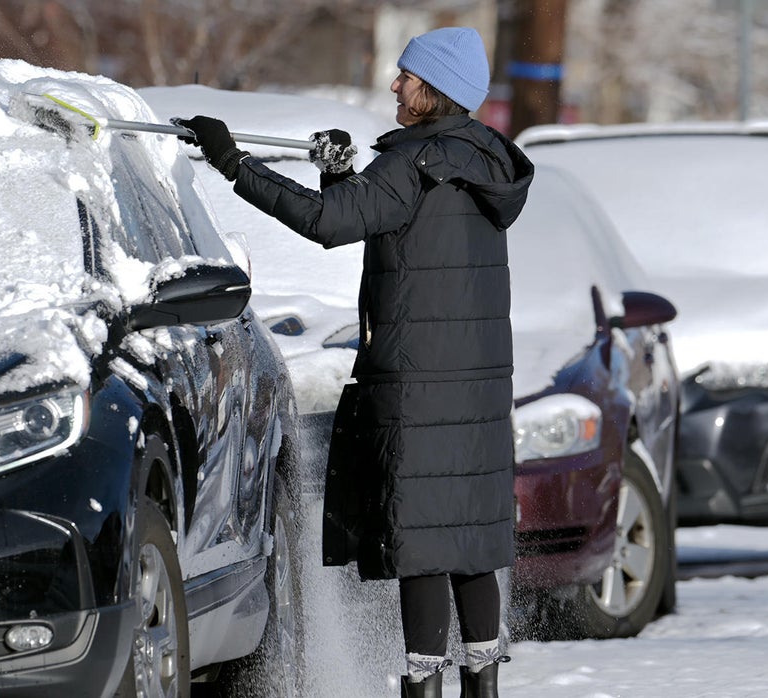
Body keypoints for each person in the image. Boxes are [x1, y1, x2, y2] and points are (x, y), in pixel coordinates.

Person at [174, 25, 533, 698]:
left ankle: (425, 687)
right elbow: (374, 214)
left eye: (407, 76)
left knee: (424, 541)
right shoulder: (480, 158)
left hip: (418, 384)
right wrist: (340, 173)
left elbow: (327, 224)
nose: (395, 85)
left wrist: (232, 164)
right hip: (476, 385)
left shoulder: (414, 161)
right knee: (468, 539)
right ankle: (482, 684)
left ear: (436, 90)